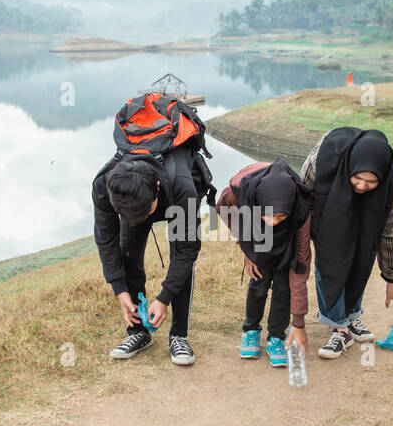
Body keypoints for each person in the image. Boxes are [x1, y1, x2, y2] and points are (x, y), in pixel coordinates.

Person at [302, 127, 393, 359]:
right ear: (350, 167)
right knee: (330, 259)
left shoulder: (391, 180)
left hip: (369, 212)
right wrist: (305, 244)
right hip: (327, 207)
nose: (361, 186)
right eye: (358, 178)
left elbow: (389, 230)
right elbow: (302, 197)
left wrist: (392, 278)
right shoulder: (321, 159)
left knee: (362, 256)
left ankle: (350, 316)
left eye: (370, 182)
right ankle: (339, 328)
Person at [92, 152, 201, 365]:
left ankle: (179, 336)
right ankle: (138, 331)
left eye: (145, 213)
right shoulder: (102, 187)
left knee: (181, 258)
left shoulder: (182, 186)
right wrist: (120, 289)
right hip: (137, 202)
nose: (142, 220)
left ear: (157, 188)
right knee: (128, 253)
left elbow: (187, 251)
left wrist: (164, 298)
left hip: (175, 200)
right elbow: (106, 241)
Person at [216, 158, 312, 367]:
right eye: (268, 215)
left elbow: (301, 264)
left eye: (280, 216)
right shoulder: (236, 194)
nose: (273, 221)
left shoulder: (301, 208)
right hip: (254, 232)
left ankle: (276, 336)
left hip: (288, 241)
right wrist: (248, 249)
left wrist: (299, 322)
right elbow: (224, 210)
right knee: (258, 282)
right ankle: (250, 330)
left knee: (283, 287)